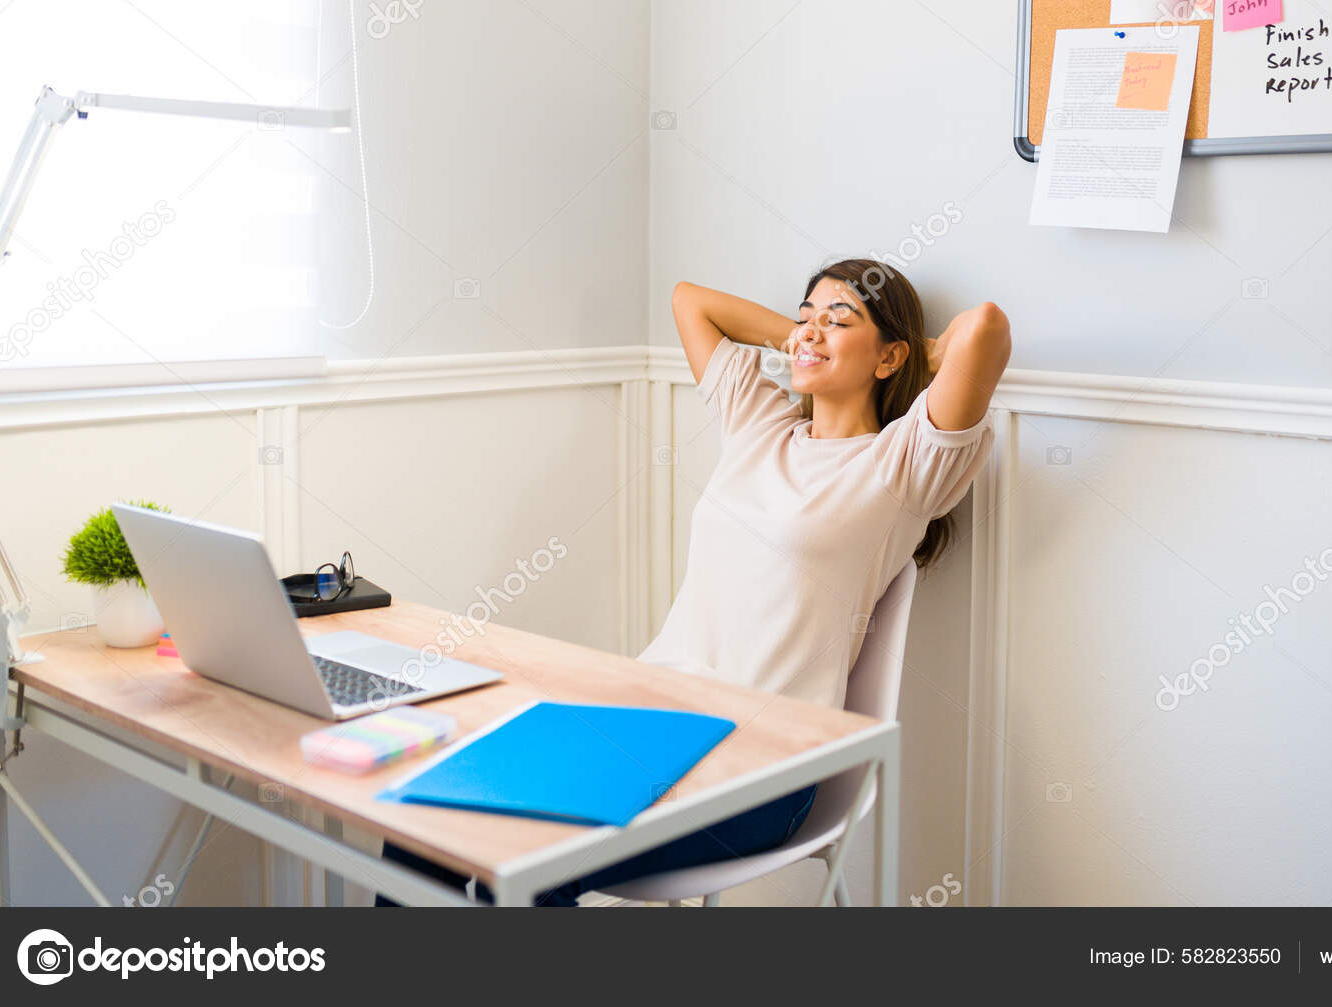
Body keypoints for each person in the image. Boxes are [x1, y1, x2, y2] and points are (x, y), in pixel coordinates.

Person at [376, 258, 1010, 906]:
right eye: (805, 316)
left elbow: (985, 328)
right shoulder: (760, 421)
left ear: (889, 357)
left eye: (839, 321)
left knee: (530, 856)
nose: (811, 332)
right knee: (428, 824)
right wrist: (800, 336)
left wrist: (920, 353)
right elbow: (690, 301)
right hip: (645, 719)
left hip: (764, 764)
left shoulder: (902, 465)